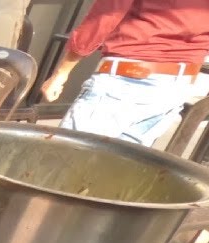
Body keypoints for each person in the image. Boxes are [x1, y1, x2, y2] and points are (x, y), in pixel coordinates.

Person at [40, 0, 209, 147]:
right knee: (115, 173)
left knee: (64, 161)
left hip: (128, 78)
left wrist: (62, 72)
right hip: (177, 85)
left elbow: (104, 15)